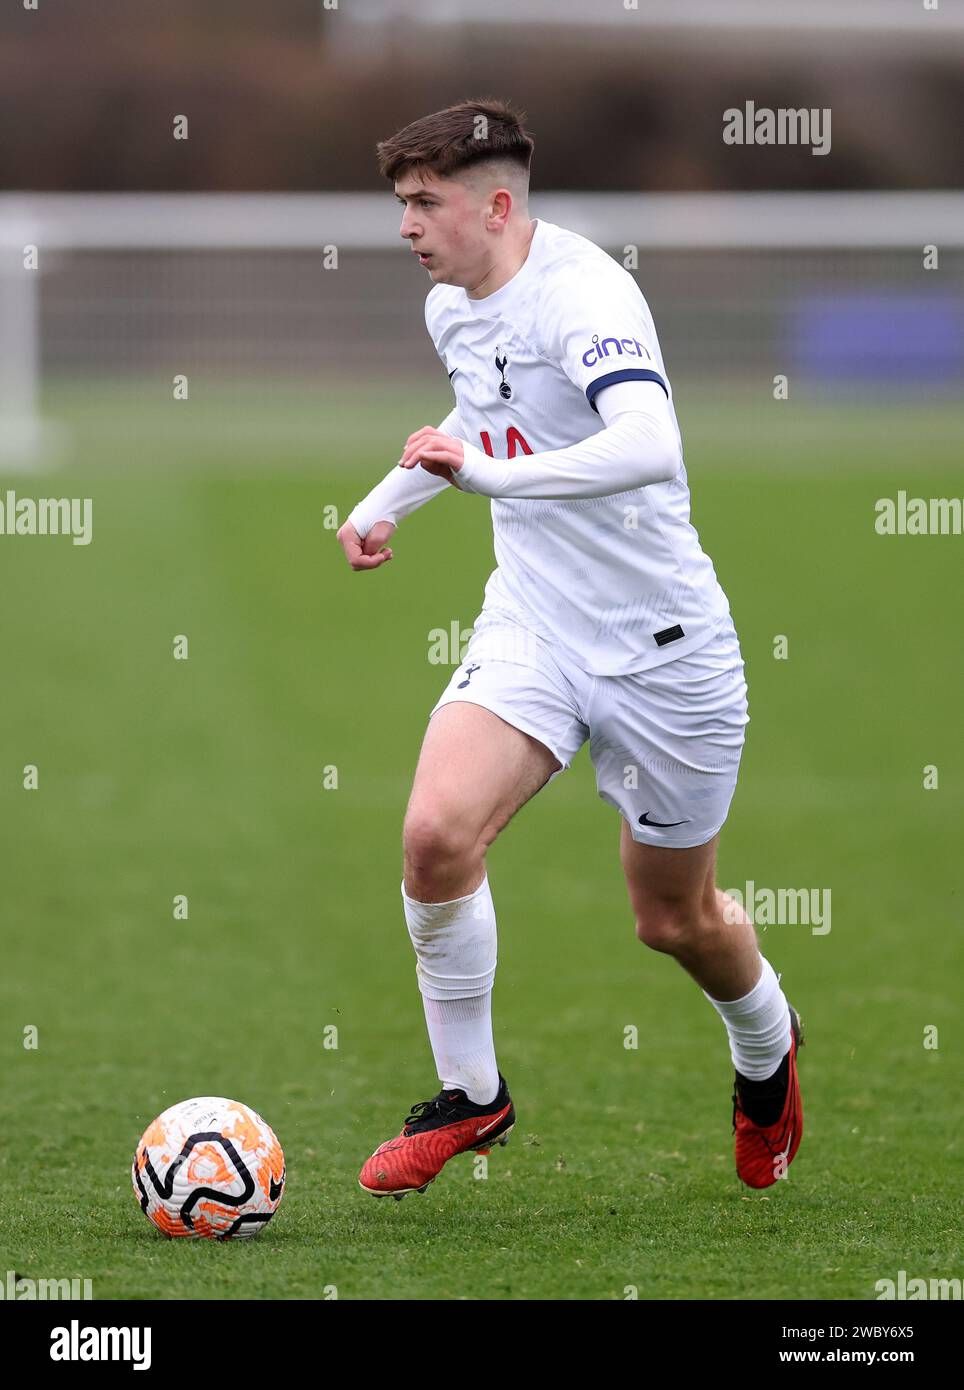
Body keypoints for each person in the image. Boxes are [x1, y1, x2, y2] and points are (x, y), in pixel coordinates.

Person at [337, 97, 804, 1200]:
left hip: (662, 651)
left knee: (674, 919)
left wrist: (487, 479)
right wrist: (384, 503)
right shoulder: (454, 304)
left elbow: (648, 439)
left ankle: (766, 1050)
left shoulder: (586, 295)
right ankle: (473, 1096)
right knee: (434, 836)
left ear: (495, 205)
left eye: (424, 203)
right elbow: (476, 419)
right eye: (400, 203)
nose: (406, 226)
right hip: (534, 625)